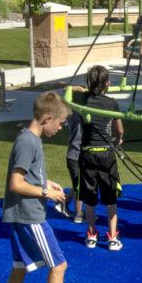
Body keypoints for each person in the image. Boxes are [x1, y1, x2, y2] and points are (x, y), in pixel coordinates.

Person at [0, 91, 96, 283]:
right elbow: (16, 183)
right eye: (60, 123)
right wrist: (45, 192)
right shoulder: (28, 142)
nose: (61, 127)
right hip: (30, 217)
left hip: (21, 215)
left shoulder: (29, 137)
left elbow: (28, 176)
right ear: (47, 118)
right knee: (59, 266)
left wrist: (46, 183)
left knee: (20, 268)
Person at [79, 66, 125, 251]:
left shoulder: (83, 99)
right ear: (107, 83)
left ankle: (92, 234)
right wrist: (118, 139)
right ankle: (113, 237)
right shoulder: (111, 103)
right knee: (110, 197)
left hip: (88, 153)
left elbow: (70, 88)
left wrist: (87, 88)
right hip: (106, 153)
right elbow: (120, 130)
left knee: (90, 197)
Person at [61, 85, 87, 223]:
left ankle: (64, 201)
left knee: (80, 183)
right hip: (74, 156)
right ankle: (78, 214)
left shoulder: (81, 113)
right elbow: (66, 90)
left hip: (81, 154)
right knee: (79, 186)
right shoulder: (73, 114)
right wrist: (82, 90)